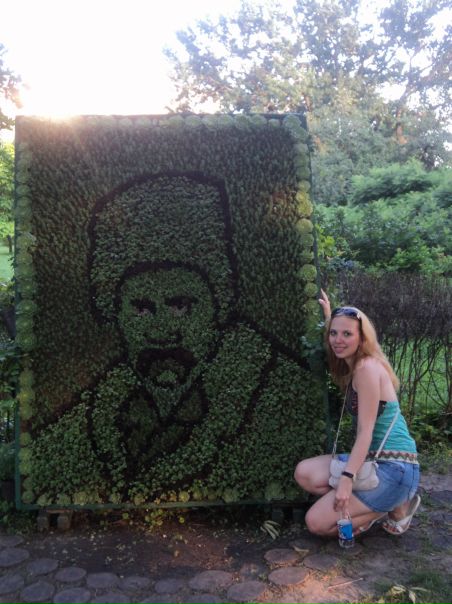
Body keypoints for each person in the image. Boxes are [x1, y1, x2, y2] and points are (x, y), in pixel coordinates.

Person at [294, 289, 420, 537]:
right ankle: (377, 503)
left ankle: (388, 507)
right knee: (305, 474)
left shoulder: (367, 369)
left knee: (316, 523)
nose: (338, 340)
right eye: (334, 333)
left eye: (347, 334)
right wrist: (329, 316)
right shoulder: (354, 365)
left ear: (362, 339)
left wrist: (346, 479)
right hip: (371, 460)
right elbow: (337, 341)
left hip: (395, 468)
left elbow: (365, 431)